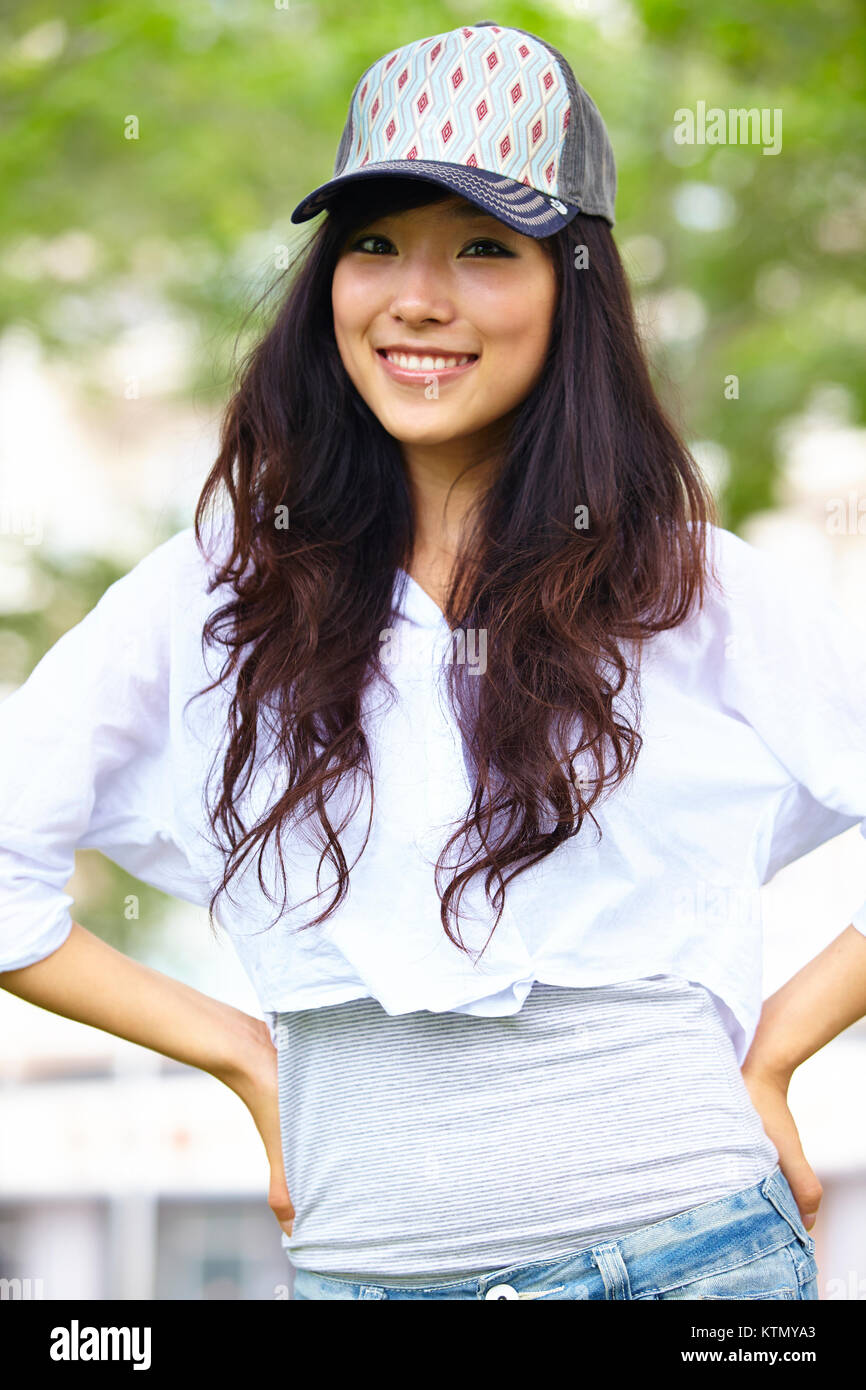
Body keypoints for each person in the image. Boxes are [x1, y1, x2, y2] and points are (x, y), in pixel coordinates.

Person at [1, 20, 865, 1303]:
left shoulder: (689, 581)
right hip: (364, 1275)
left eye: (481, 249)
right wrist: (245, 1056)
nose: (417, 296)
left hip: (691, 1262)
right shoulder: (220, 589)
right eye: (373, 245)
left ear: (572, 285)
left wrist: (772, 1055)